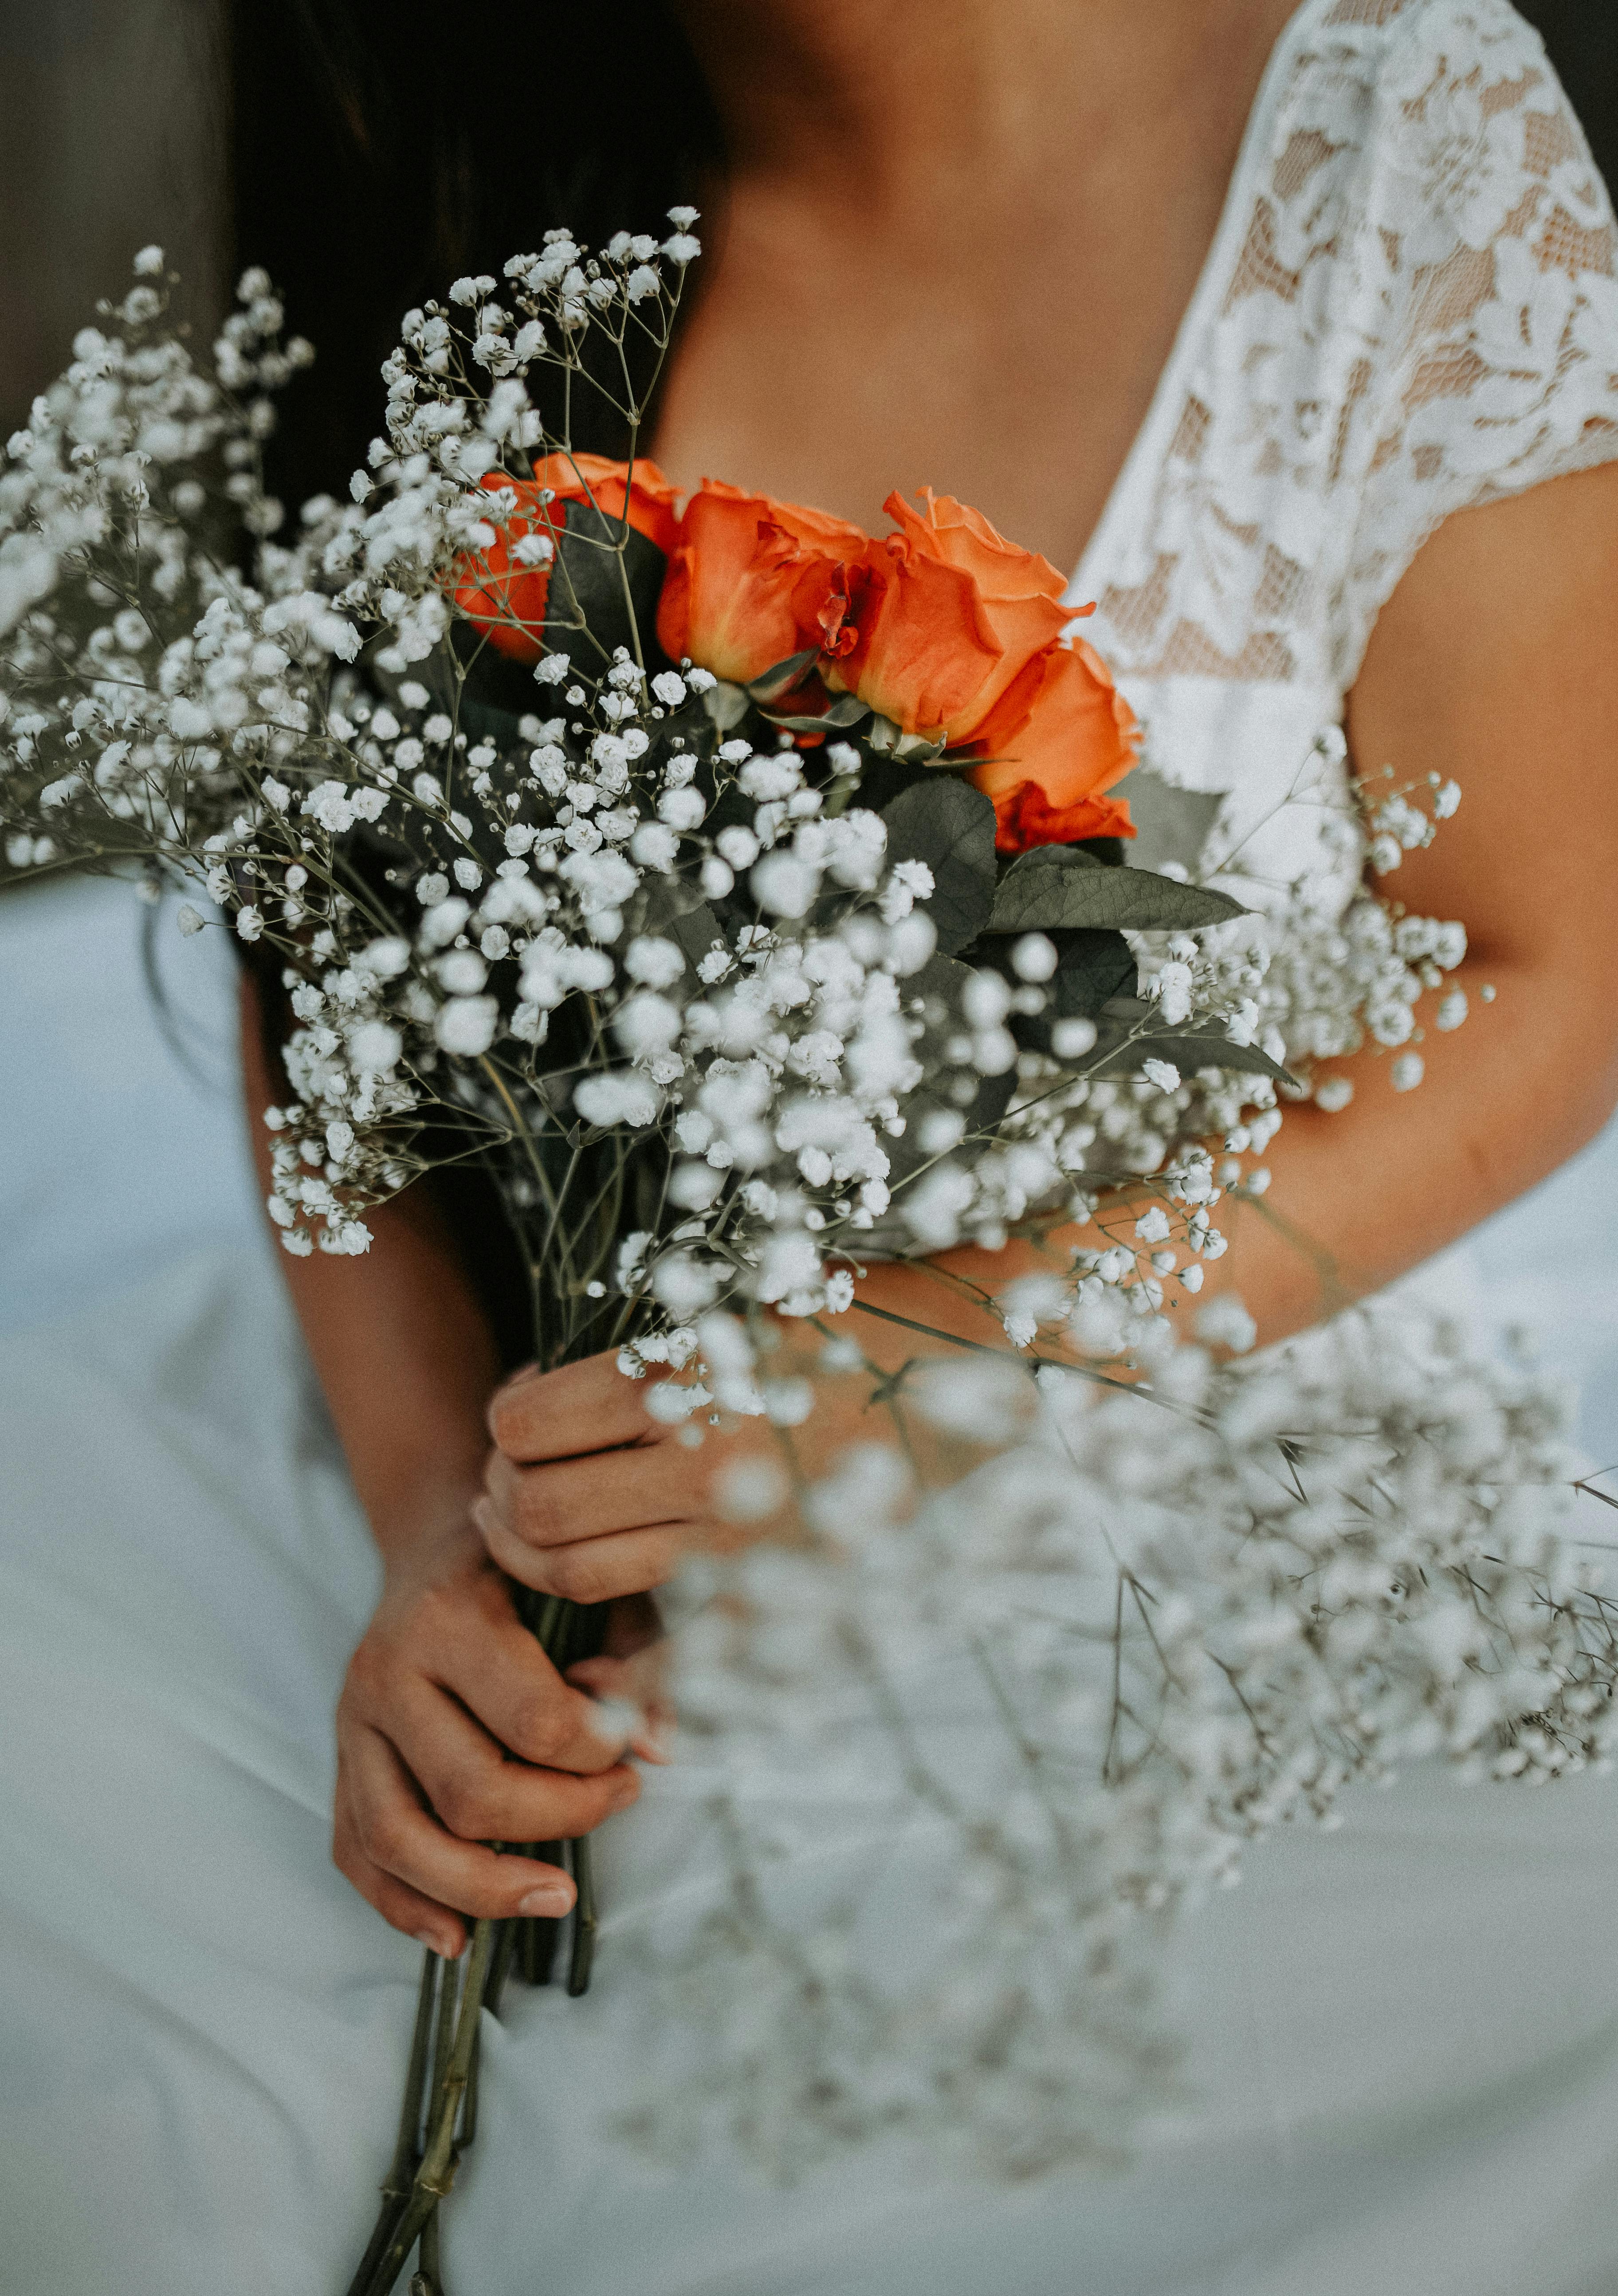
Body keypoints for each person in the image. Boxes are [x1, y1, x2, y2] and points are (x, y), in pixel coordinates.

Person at [6, 1, 1618, 2289]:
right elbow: (337, 952)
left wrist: (922, 1363)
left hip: (1157, 1422)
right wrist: (432, 1537)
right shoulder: (458, 153)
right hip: (522, 1441)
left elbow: (1542, 965)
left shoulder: (1393, 121)